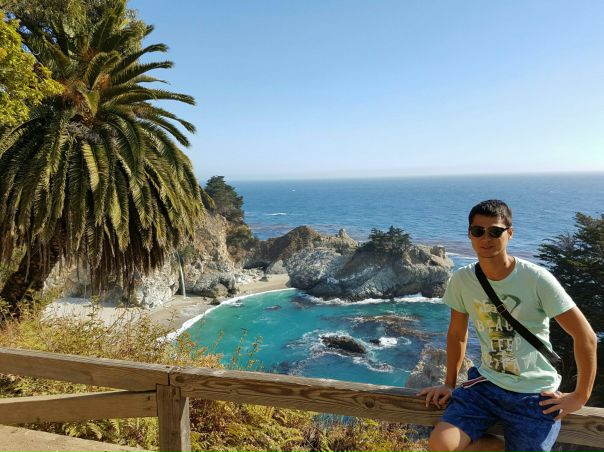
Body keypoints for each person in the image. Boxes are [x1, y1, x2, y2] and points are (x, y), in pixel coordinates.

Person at [417, 199, 597, 452]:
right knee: (441, 445)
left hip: (534, 393)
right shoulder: (462, 279)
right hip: (486, 385)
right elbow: (457, 334)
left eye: (495, 231)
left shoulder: (536, 279)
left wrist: (580, 396)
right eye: (478, 231)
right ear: (469, 234)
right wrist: (449, 383)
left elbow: (585, 336)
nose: (486, 238)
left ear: (509, 233)